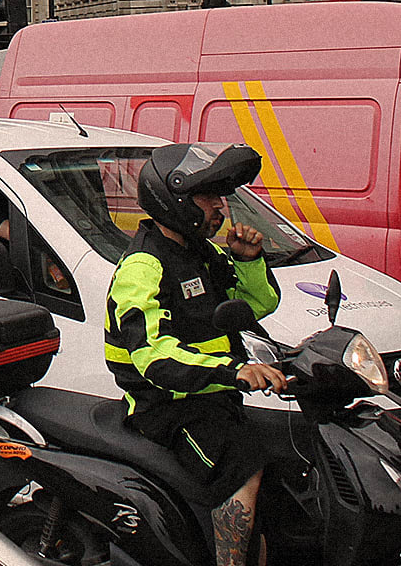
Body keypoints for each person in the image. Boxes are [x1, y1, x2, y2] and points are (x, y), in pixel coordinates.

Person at [104, 143, 285, 566]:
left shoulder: (201, 253)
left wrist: (248, 261)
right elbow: (152, 354)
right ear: (176, 199)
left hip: (211, 397)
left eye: (220, 196)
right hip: (167, 407)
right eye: (208, 196)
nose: (220, 206)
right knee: (243, 465)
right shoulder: (144, 265)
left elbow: (255, 306)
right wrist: (233, 371)